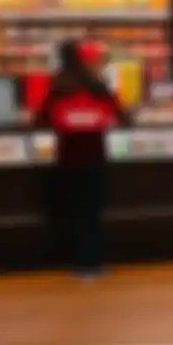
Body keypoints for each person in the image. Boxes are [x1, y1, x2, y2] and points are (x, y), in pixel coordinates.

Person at [33, 40, 129, 278]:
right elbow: (123, 115)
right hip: (96, 154)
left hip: (69, 156)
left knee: (74, 211)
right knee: (94, 210)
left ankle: (77, 262)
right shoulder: (98, 84)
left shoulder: (59, 85)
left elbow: (41, 119)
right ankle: (94, 262)